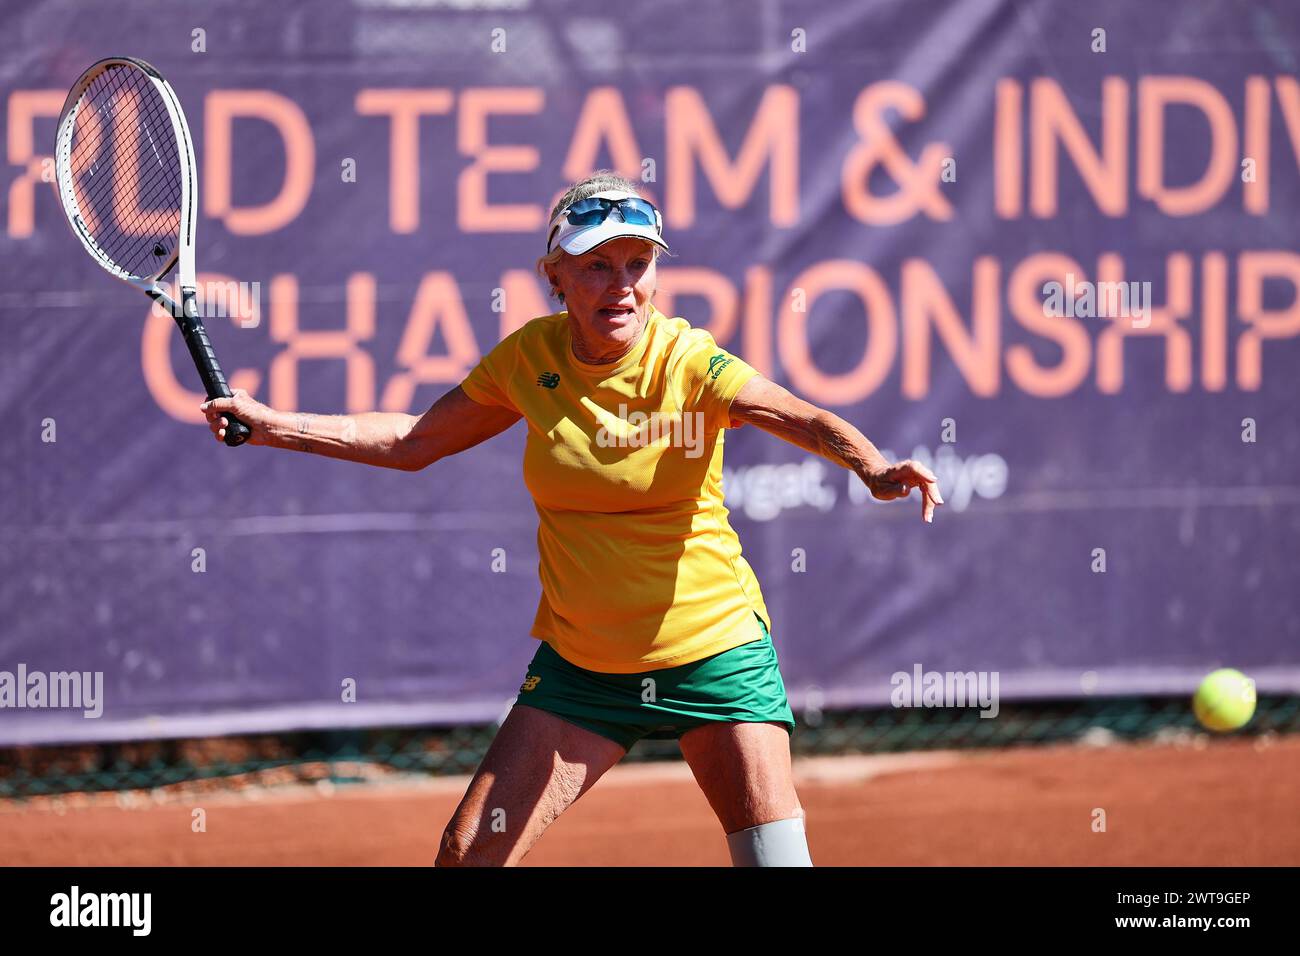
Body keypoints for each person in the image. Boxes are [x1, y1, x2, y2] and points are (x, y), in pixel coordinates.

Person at [201, 170, 943, 866]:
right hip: (583, 668)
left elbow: (801, 418)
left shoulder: (688, 360)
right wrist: (272, 426)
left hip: (714, 649)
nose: (620, 286)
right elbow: (413, 441)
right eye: (596, 266)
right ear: (554, 274)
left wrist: (871, 465)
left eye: (637, 264)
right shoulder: (530, 359)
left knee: (773, 861)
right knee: (468, 854)